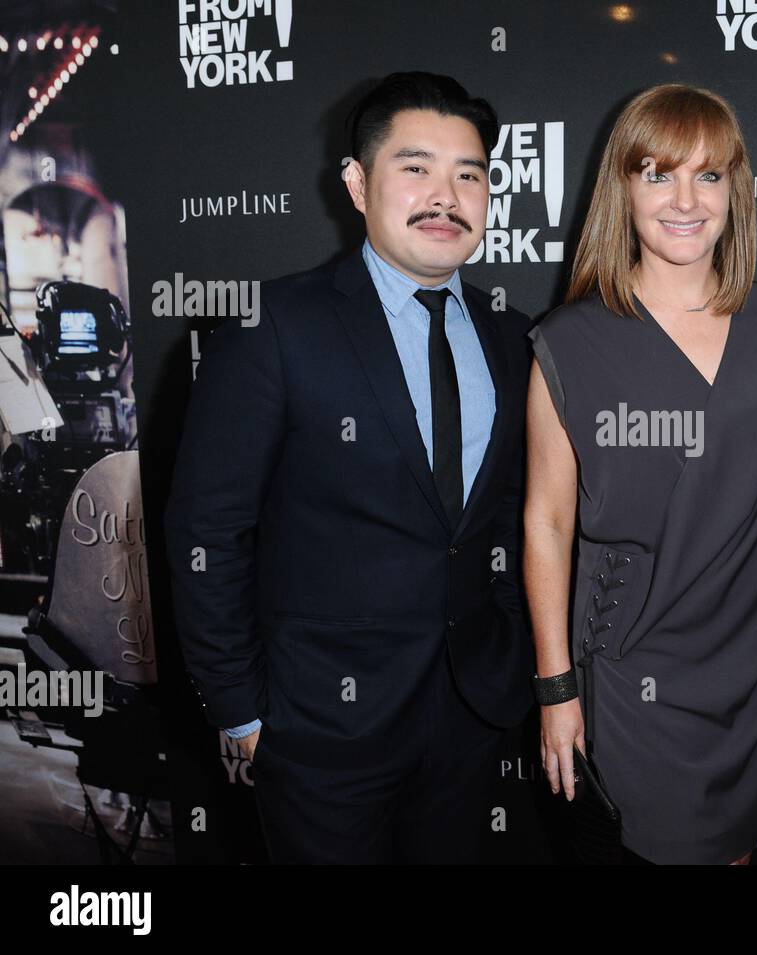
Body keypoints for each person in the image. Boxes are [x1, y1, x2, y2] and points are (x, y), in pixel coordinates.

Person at [164, 72, 535, 863]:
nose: (446, 195)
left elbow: (500, 517)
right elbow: (208, 531)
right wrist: (243, 714)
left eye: (468, 173)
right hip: (317, 732)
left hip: (469, 723)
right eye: (416, 167)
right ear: (357, 184)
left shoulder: (513, 336)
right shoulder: (274, 328)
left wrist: (503, 650)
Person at [524, 84, 757, 865]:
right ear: (623, 186)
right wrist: (556, 691)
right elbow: (545, 525)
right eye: (657, 173)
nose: (685, 199)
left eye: (708, 175)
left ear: (735, 190)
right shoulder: (568, 342)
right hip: (633, 679)